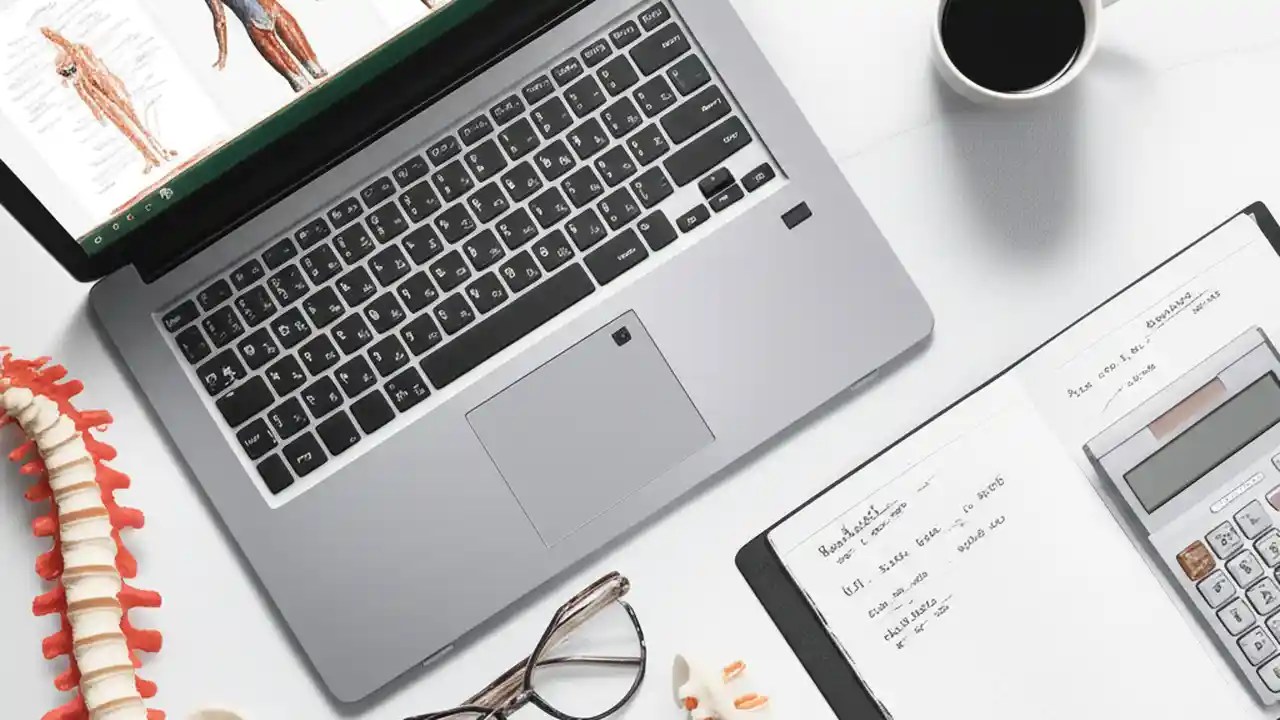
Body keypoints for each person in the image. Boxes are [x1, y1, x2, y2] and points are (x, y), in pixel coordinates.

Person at [41, 27, 176, 174]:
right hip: (97, 93)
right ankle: (149, 156)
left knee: (136, 119)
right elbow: (82, 91)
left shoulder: (79, 51)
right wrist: (96, 111)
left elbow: (83, 59)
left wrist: (51, 36)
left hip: (108, 85)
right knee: (124, 126)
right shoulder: (71, 71)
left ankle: (161, 150)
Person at [206, 0, 326, 93]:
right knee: (315, 70)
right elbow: (220, 20)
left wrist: (223, 53)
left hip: (255, 23)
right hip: (272, 9)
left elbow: (220, 19)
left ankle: (303, 79)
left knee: (299, 82)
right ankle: (315, 70)